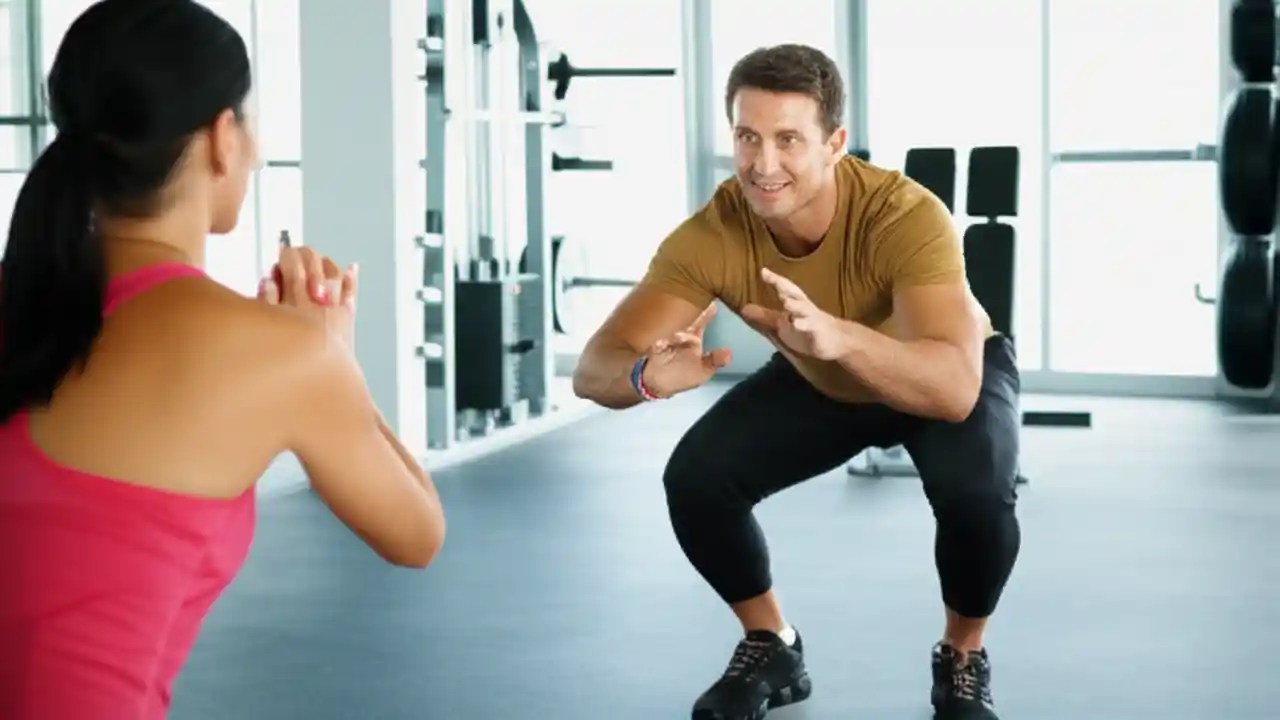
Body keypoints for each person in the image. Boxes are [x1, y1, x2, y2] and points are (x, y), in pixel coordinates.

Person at [0, 1, 445, 717]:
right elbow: (418, 534)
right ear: (221, 138)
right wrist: (333, 358)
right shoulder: (286, 355)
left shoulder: (21, 298)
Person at [573, 44, 1020, 720]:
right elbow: (593, 367)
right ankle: (771, 641)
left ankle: (962, 654)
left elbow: (954, 388)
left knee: (977, 496)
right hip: (823, 379)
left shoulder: (903, 214)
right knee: (696, 478)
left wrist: (841, 336)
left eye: (788, 139)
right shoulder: (715, 232)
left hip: (935, 372)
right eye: (747, 137)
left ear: (834, 142)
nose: (763, 163)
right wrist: (643, 377)